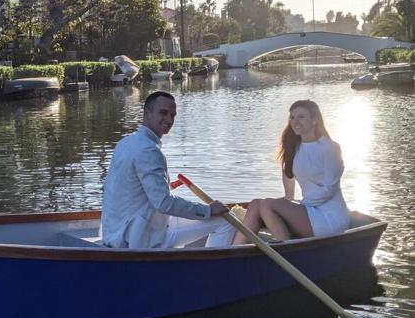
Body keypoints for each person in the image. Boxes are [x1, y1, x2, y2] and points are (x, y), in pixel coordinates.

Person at [101, 91, 236, 249]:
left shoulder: (125, 143)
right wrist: (208, 210)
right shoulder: (148, 150)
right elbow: (163, 203)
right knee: (227, 220)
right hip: (140, 237)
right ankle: (213, 263)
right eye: (163, 113)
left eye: (173, 115)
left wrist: (166, 187)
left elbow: (130, 188)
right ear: (147, 113)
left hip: (115, 232)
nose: (169, 120)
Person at [234, 99, 350, 244]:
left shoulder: (329, 148)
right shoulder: (295, 147)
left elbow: (329, 188)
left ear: (314, 119)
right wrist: (288, 201)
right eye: (292, 117)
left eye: (301, 117)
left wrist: (299, 205)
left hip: (328, 217)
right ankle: (233, 250)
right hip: (309, 209)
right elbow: (289, 177)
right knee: (256, 204)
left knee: (267, 204)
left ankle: (286, 247)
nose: (296, 122)